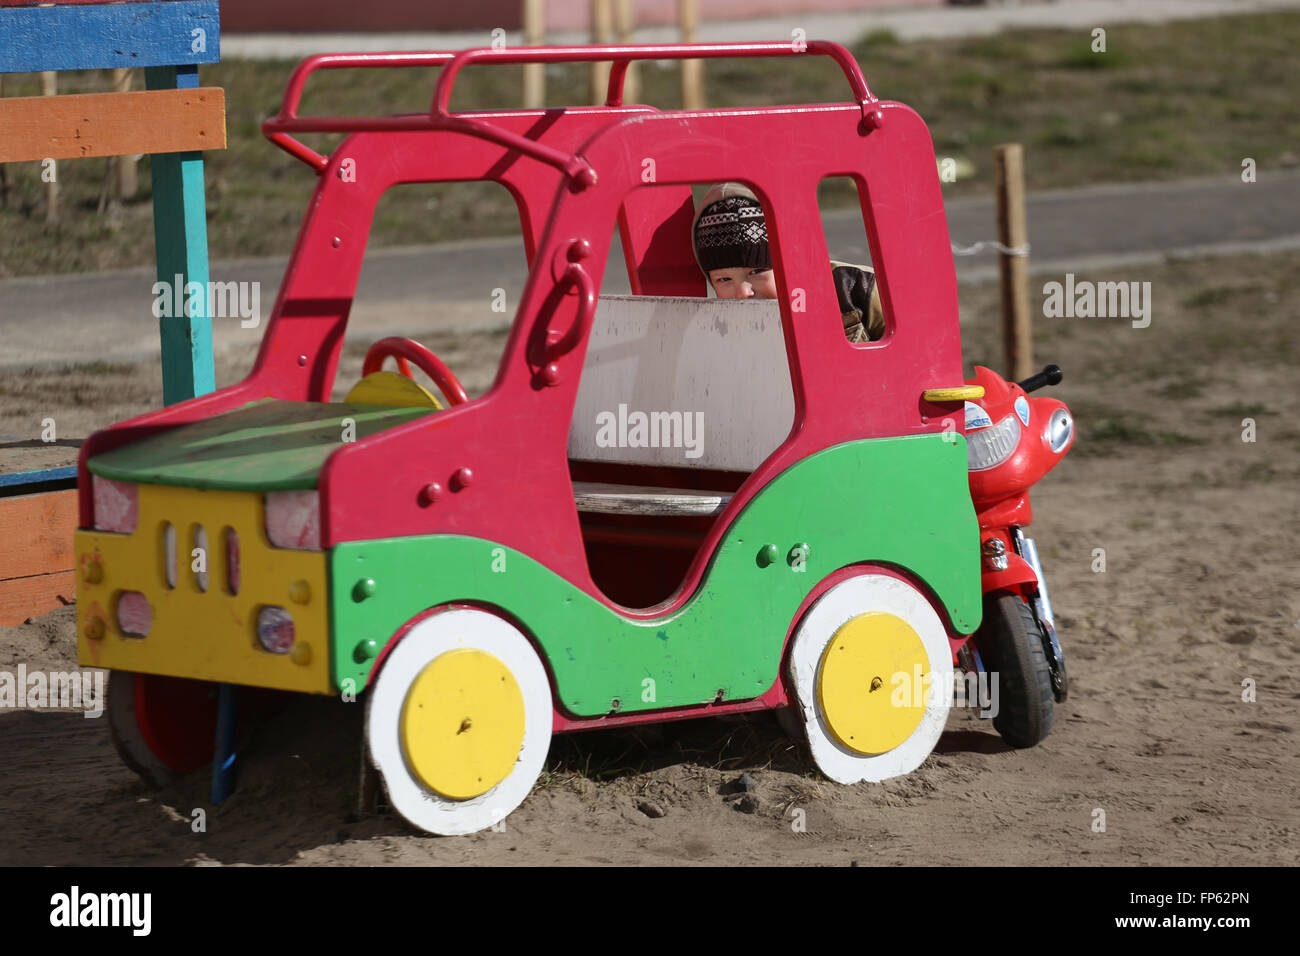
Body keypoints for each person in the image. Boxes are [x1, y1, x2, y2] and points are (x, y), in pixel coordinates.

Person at [690, 182, 885, 342]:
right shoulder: (718, 330)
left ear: (790, 261)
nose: (743, 293)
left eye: (757, 271)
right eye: (724, 279)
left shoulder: (857, 288)